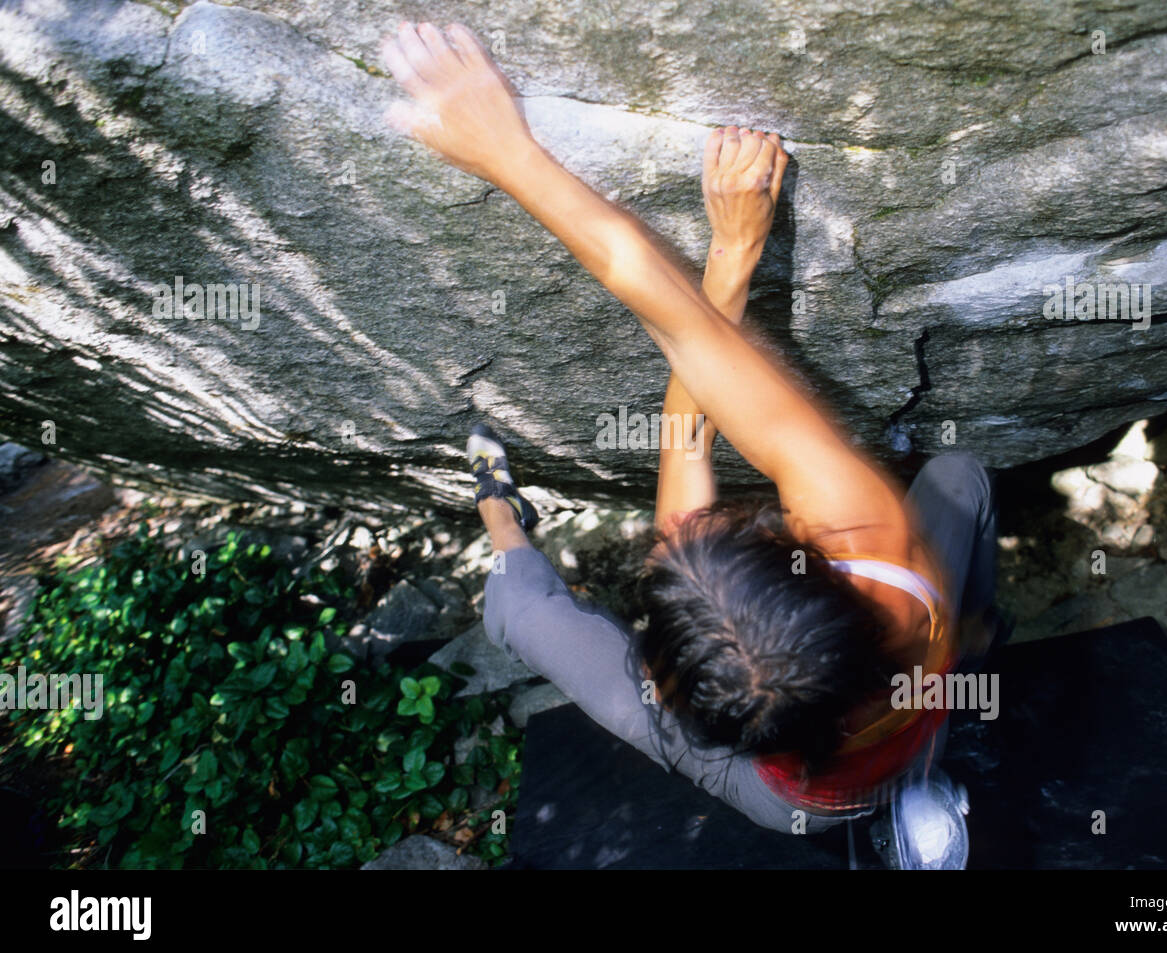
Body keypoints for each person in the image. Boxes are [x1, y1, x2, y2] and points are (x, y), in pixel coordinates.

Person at [381, 21, 1006, 864]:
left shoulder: (695, 715)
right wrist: (733, 244)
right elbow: (685, 339)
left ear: (671, 686)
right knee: (960, 482)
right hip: (892, 714)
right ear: (821, 576)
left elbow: (686, 431)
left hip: (798, 800)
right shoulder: (876, 540)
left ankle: (496, 504)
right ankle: (940, 727)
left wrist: (511, 156)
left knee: (521, 612)